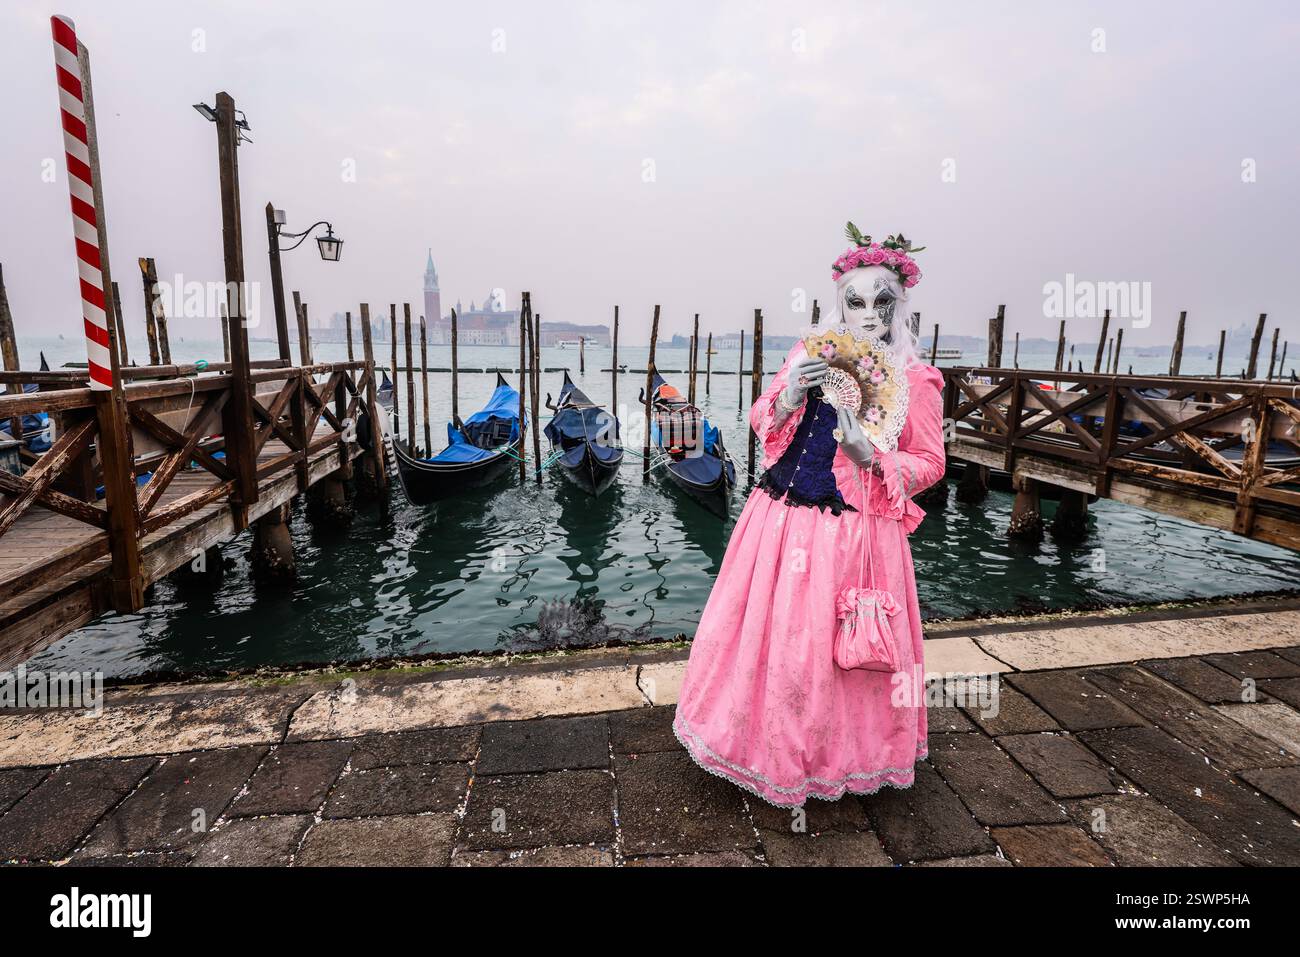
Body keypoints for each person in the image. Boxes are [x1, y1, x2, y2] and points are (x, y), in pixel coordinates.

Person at [673, 224, 946, 806]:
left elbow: (930, 462)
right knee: (768, 641)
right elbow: (762, 421)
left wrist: (872, 456)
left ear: (900, 307)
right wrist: (791, 394)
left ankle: (836, 757)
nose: (868, 314)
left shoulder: (916, 380)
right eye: (856, 300)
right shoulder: (808, 353)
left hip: (855, 533)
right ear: (838, 302)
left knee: (826, 650)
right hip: (776, 518)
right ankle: (755, 742)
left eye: (882, 302)